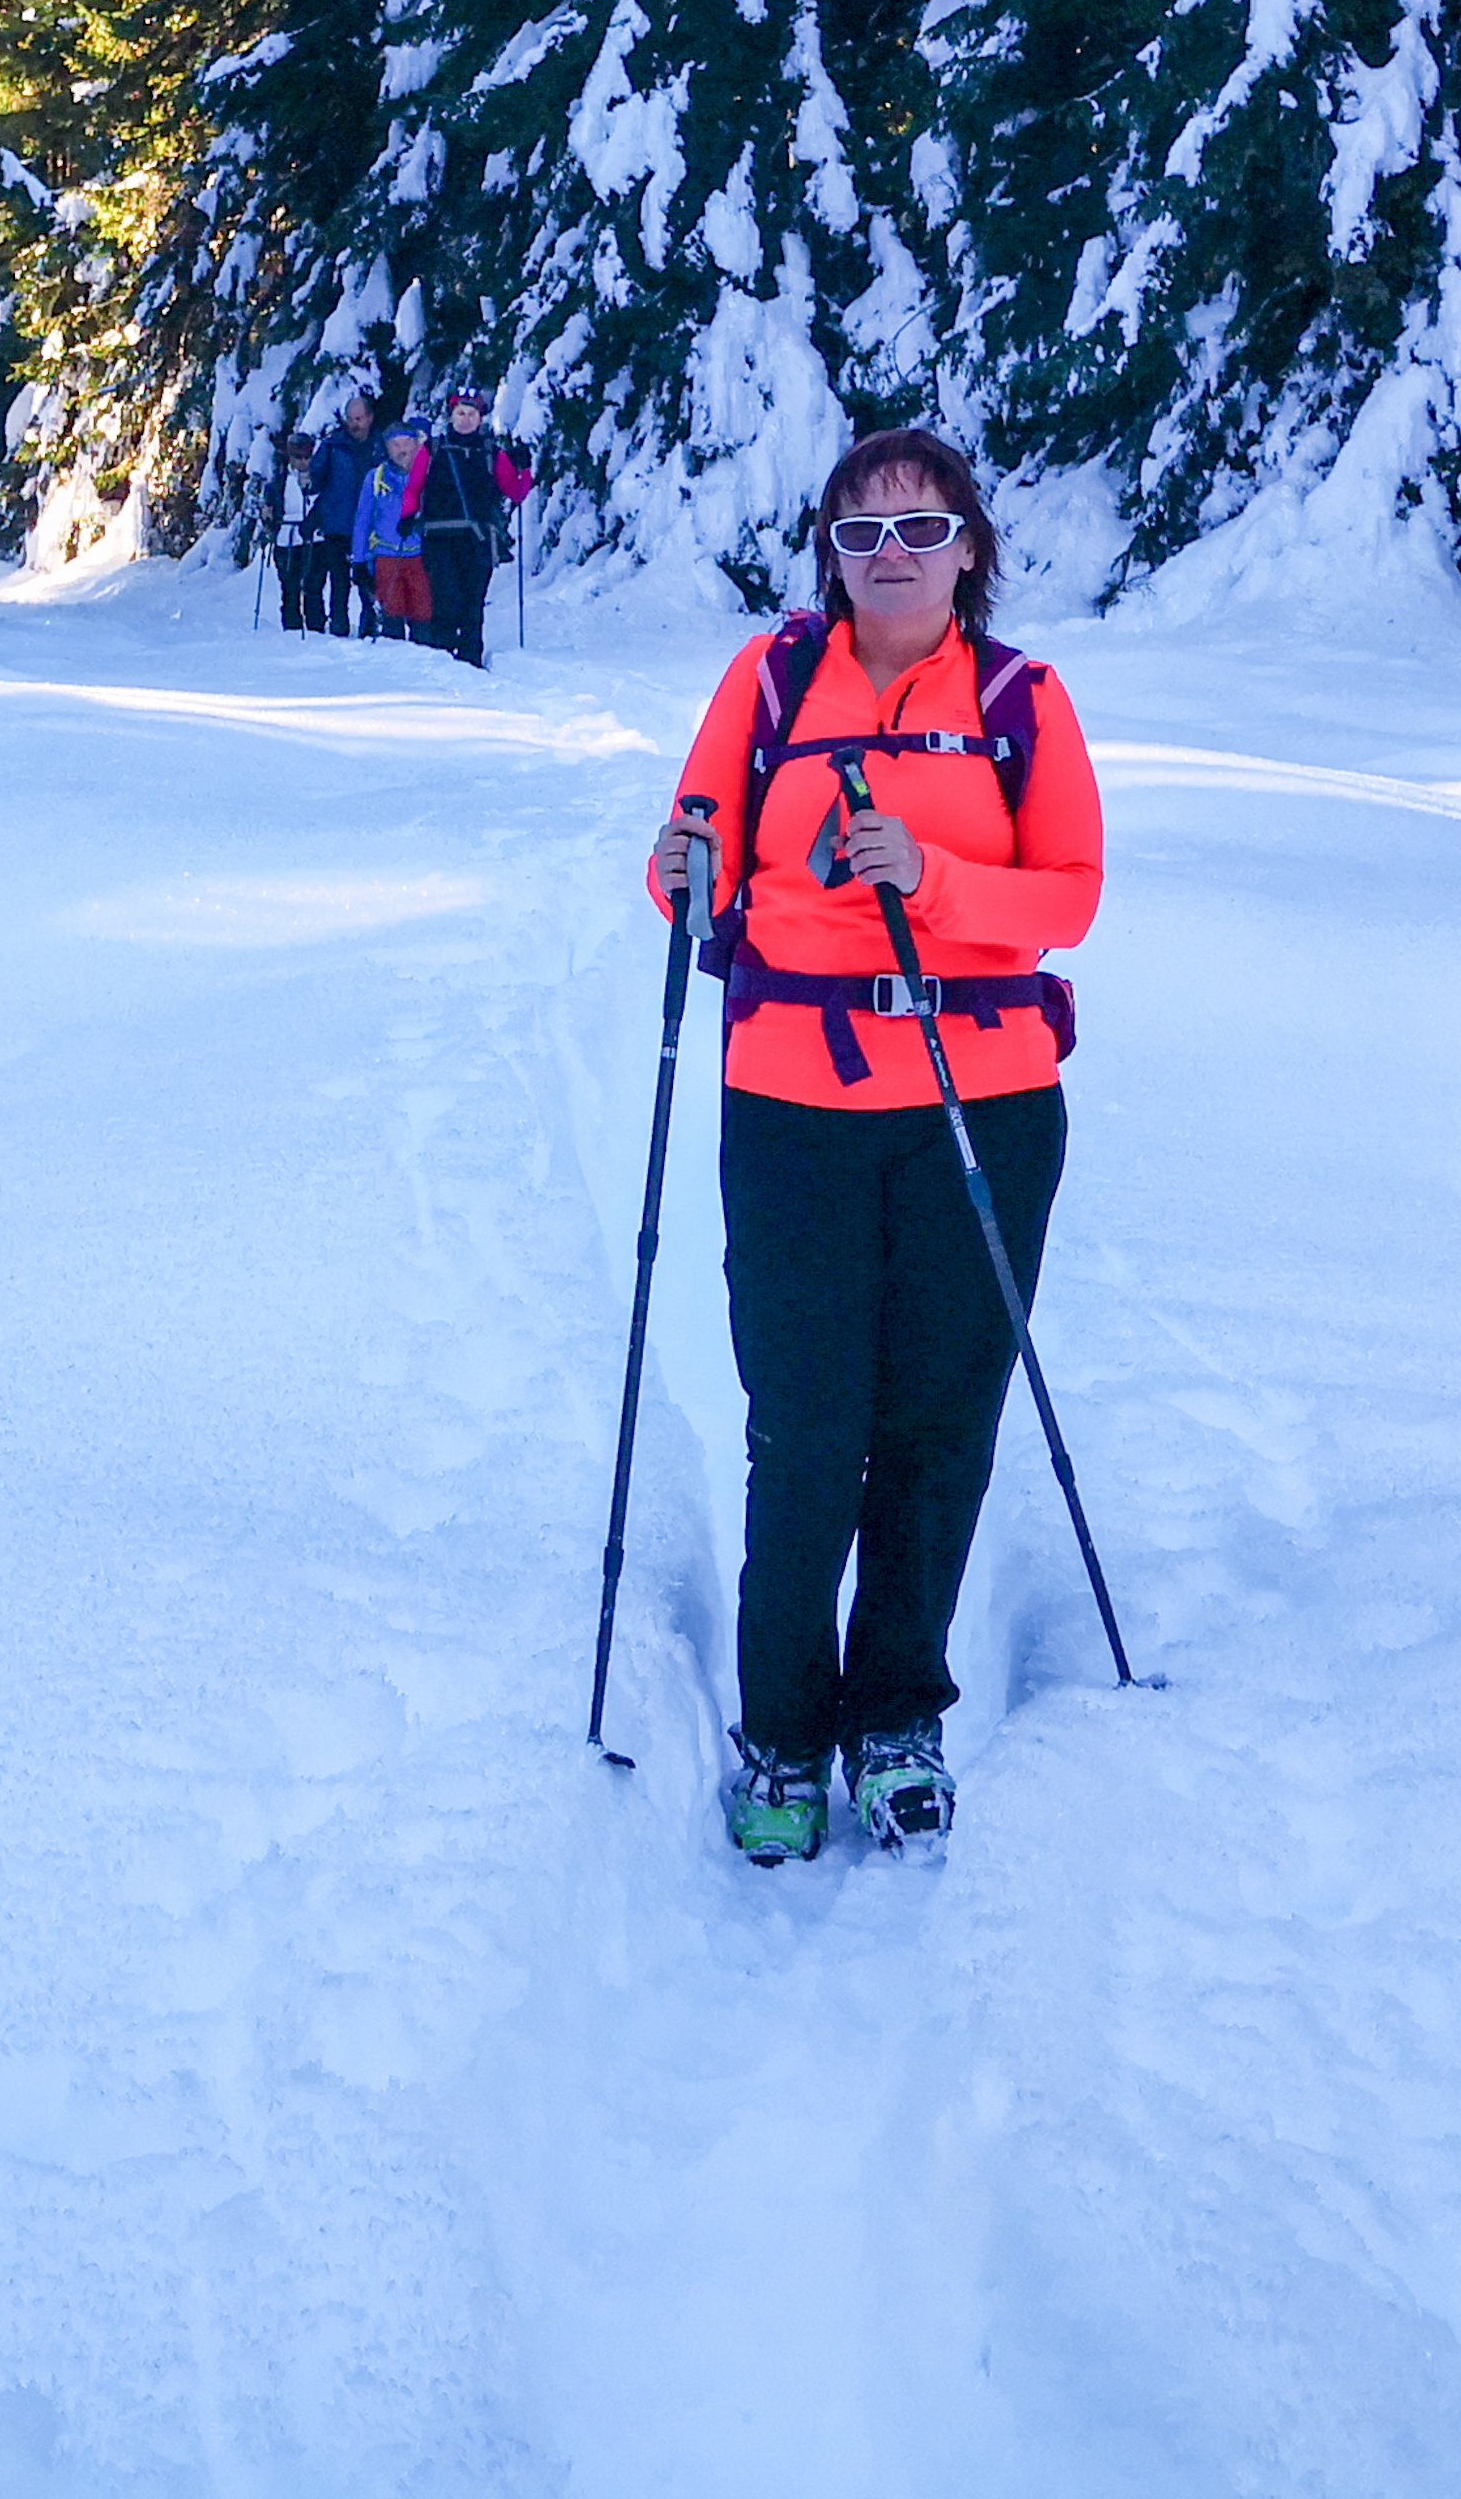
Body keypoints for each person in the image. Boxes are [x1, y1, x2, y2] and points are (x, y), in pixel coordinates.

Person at [644, 424, 1103, 1866]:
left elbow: (1070, 900)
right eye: (860, 533)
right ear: (828, 558)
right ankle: (783, 1731)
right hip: (793, 1104)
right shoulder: (771, 683)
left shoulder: (1022, 701)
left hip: (983, 1102)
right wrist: (682, 870)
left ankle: (899, 1716)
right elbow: (692, 865)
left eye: (920, 529)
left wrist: (937, 874)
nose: (889, 556)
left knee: (939, 1426)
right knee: (804, 1428)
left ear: (972, 548)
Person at [413, 386, 532, 668]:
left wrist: (524, 469)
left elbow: (515, 492)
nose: (465, 419)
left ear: (480, 418)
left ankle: (470, 660)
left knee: (471, 602)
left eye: (471, 414)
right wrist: (407, 516)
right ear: (451, 416)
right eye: (460, 413)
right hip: (438, 538)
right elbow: (415, 487)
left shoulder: (493, 453)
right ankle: (443, 660)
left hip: (476, 540)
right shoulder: (433, 450)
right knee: (444, 599)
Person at [302, 388, 384, 637]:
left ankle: (369, 629)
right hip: (337, 524)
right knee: (339, 582)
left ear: (369, 417)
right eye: (350, 419)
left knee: (368, 581)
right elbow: (316, 481)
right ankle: (339, 627)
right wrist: (307, 476)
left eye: (359, 419)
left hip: (371, 526)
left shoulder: (381, 446)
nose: (354, 424)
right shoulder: (333, 445)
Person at [353, 415, 435, 641]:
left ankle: (426, 660)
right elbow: (362, 522)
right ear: (387, 448)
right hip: (386, 557)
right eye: (395, 444)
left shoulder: (431, 475)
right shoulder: (376, 478)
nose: (402, 450)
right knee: (392, 612)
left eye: (406, 443)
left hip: (421, 556)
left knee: (423, 612)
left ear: (417, 444)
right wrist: (359, 561)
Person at [265, 431, 333, 634]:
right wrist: (270, 521)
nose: (303, 462)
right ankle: (292, 629)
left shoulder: (321, 476)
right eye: (298, 457)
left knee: (314, 587)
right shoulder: (279, 479)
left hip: (315, 539)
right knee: (289, 587)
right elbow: (270, 505)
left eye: (307, 456)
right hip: (286, 539)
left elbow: (326, 503)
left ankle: (316, 627)